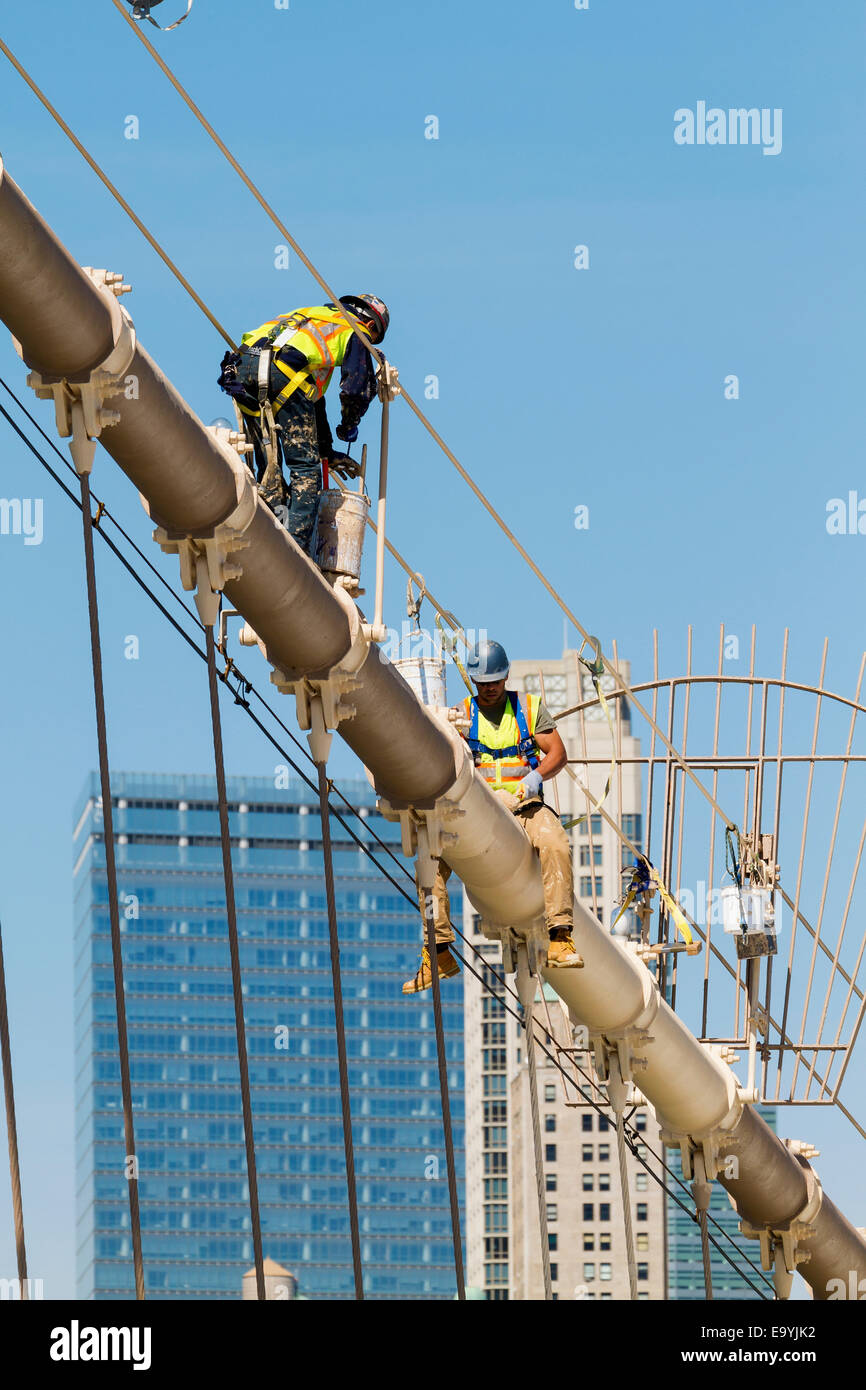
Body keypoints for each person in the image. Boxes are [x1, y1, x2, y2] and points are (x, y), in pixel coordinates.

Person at [403, 639, 584, 994]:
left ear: (505, 678)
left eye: (494, 682)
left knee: (555, 843)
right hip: (480, 809)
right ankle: (438, 950)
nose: (488, 689)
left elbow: (558, 753)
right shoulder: (460, 715)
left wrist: (536, 776)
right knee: (429, 860)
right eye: (481, 683)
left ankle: (560, 937)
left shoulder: (529, 710)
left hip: (525, 806)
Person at [217, 294, 389, 551]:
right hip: (283, 374)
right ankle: (294, 553)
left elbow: (311, 399)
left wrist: (326, 450)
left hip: (242, 369)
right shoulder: (356, 331)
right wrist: (349, 424)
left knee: (267, 467)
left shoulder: (314, 316)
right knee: (306, 471)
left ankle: (263, 532)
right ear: (372, 326)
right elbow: (356, 387)